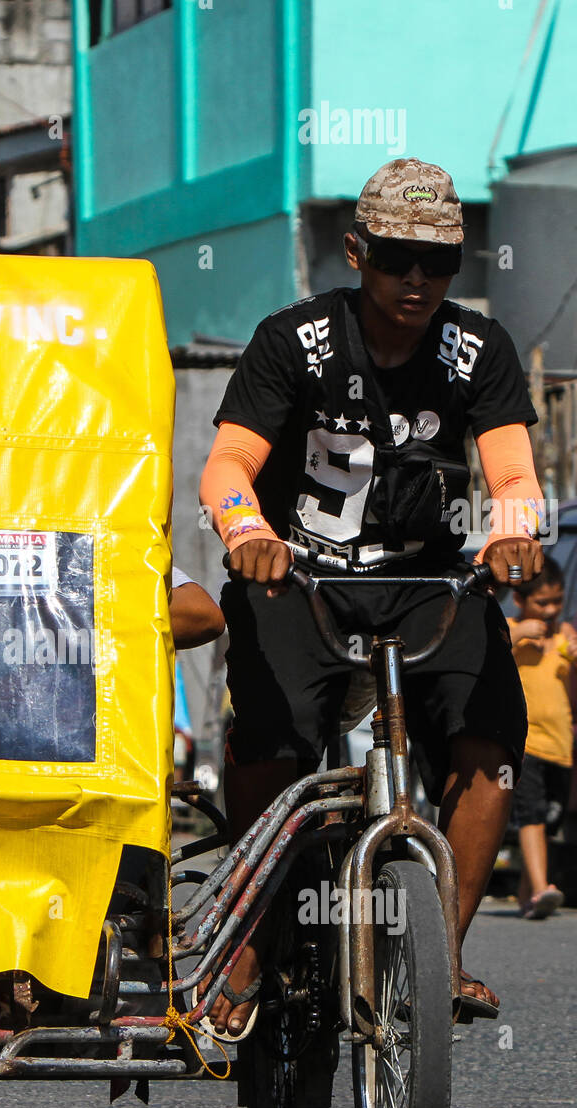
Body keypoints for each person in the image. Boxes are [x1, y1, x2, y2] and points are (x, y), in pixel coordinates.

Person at [199, 158, 545, 1036]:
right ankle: (254, 933)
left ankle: (444, 952)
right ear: (356, 251)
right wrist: (248, 534)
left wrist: (512, 530)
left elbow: (510, 471)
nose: (419, 280)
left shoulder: (479, 350)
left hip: (427, 581)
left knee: (493, 733)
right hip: (300, 576)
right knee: (270, 738)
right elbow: (230, 465)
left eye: (440, 262)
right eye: (397, 258)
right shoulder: (293, 339)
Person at [506, 557, 577, 919]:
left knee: (548, 821)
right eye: (541, 603)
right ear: (520, 601)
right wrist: (520, 633)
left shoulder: (563, 639)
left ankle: (527, 896)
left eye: (557, 602)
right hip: (528, 745)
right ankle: (540, 886)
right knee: (531, 815)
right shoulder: (512, 631)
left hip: (560, 748)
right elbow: (494, 647)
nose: (550, 611)